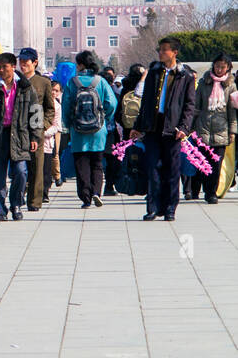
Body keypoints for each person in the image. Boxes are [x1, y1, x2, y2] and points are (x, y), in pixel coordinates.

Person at [130, 36, 197, 222]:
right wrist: (137, 126)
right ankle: (152, 208)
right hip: (153, 126)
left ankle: (170, 208)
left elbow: (190, 105)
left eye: (164, 49)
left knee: (172, 170)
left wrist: (184, 127)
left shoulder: (185, 76)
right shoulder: (153, 72)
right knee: (152, 168)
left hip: (173, 129)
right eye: (159, 49)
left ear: (174, 52)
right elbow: (145, 102)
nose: (160, 52)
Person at [0, 52, 42, 223]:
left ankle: (16, 203)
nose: (1, 70)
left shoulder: (25, 87)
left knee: (21, 172)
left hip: (20, 135)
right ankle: (0, 207)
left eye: (5, 67)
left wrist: (35, 137)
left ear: (13, 66)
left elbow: (36, 112)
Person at [63, 50, 119, 209]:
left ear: (80, 65)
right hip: (98, 130)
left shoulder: (72, 82)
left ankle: (86, 198)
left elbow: (66, 106)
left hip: (78, 130)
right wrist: (104, 118)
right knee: (97, 163)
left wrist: (68, 124)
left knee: (81, 164)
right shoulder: (100, 81)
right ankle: (96, 192)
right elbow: (112, 103)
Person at [189, 53, 235, 204]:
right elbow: (195, 106)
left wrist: (233, 131)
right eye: (217, 66)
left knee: (217, 163)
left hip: (222, 129)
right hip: (202, 128)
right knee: (203, 162)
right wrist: (190, 126)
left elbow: (232, 111)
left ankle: (211, 193)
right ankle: (202, 188)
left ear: (228, 68)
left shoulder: (231, 85)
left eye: (223, 67)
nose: (219, 69)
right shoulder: (203, 83)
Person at [17, 48, 55, 213]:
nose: (23, 64)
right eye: (21, 61)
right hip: (17, 129)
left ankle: (34, 201)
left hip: (36, 128)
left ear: (35, 63)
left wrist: (43, 126)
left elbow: (50, 108)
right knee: (18, 168)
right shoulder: (15, 80)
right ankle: (17, 198)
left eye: (26, 61)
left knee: (36, 167)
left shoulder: (43, 82)